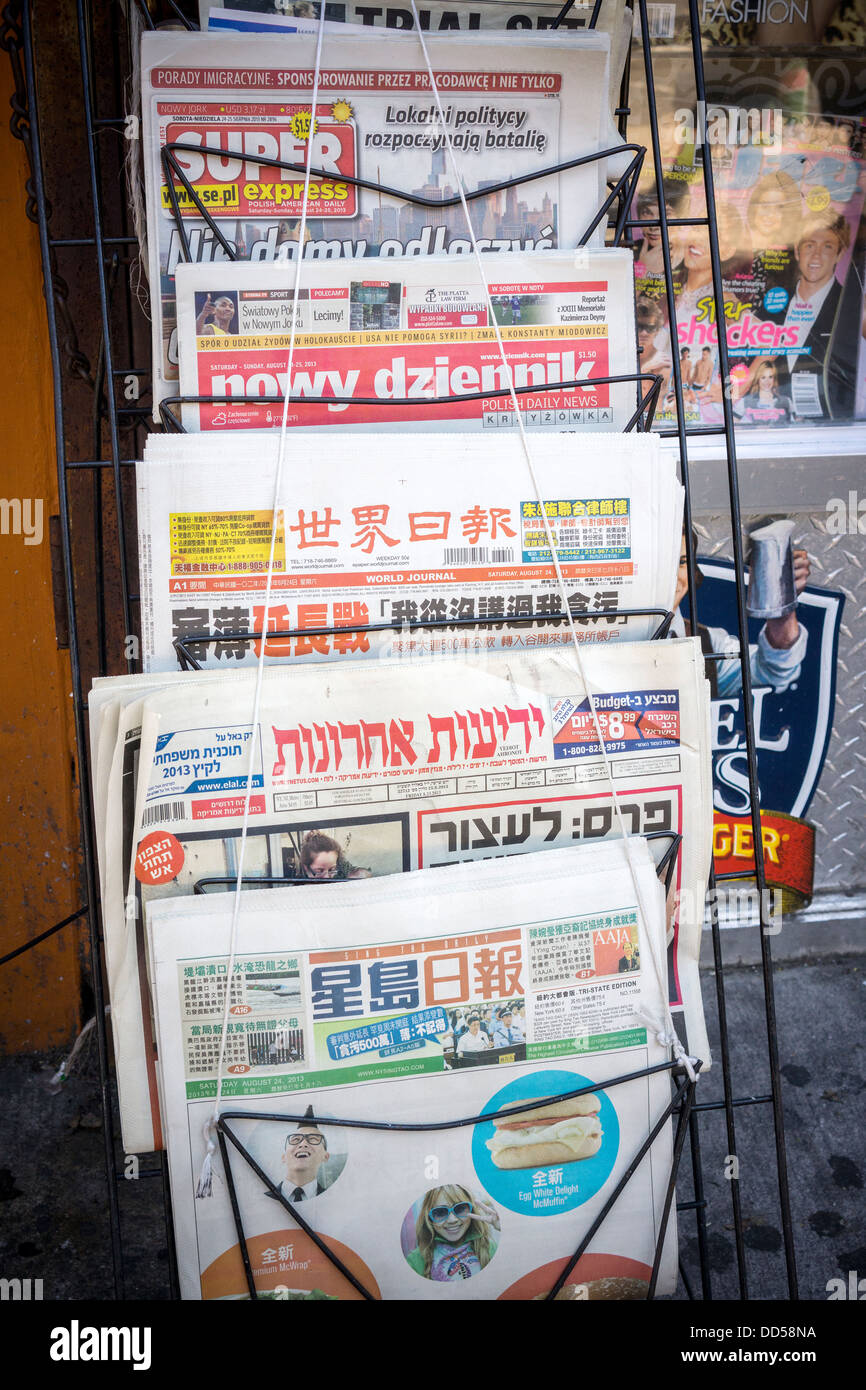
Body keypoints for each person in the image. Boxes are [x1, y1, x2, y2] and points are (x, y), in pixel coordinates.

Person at [671, 528, 810, 698]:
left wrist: (781, 606)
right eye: (659, 565)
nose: (672, 576)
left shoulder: (709, 645)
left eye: (682, 562)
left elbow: (772, 671)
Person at [766, 213, 853, 418]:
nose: (816, 256)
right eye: (810, 245)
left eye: (828, 247)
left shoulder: (850, 310)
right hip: (766, 428)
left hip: (828, 431)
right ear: (797, 251)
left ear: (840, 254)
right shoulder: (771, 303)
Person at [404, 1186, 500, 1282]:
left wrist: (500, 1227)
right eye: (440, 1212)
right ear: (428, 1218)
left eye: (460, 1208)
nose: (452, 1220)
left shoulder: (488, 1248)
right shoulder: (415, 1261)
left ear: (472, 1210)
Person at [266, 1112, 331, 1203]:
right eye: (296, 1139)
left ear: (326, 1156)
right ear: (283, 1157)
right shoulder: (262, 1199)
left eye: (313, 1139)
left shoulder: (334, 1199)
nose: (303, 1144)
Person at [735, 357, 793, 426]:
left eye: (770, 377)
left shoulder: (786, 401)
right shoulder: (745, 401)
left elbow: (796, 425)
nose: (767, 381)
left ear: (774, 379)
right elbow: (734, 427)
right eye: (763, 377)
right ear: (758, 379)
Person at [297, 830, 371, 881]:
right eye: (319, 871)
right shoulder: (298, 882)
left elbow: (363, 873)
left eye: (331, 870)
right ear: (306, 867)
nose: (327, 877)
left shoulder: (341, 865)